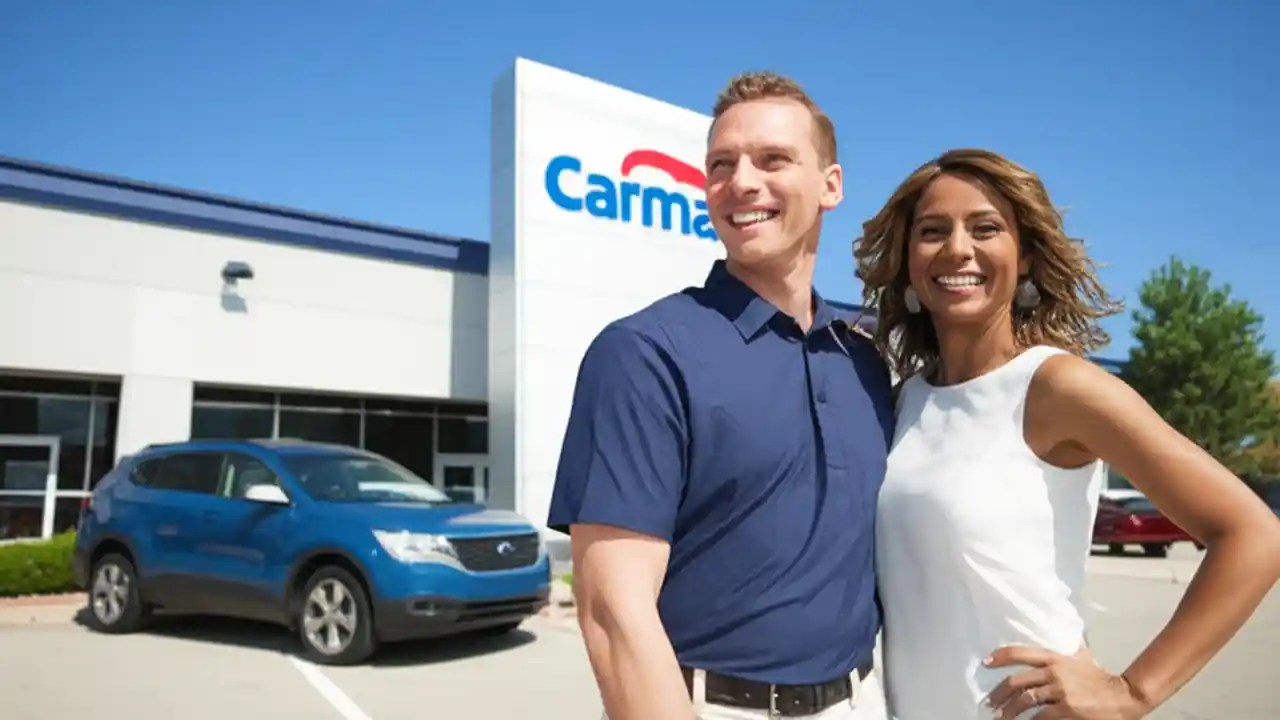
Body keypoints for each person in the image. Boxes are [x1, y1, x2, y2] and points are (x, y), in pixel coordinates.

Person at [853, 147, 1280, 720]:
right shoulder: (904, 401)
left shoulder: (1057, 387)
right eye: (933, 231)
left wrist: (1132, 692)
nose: (958, 248)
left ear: (1024, 256)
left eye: (986, 228)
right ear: (907, 262)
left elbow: (1254, 533)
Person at [546, 71, 895, 719]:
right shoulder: (644, 353)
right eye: (721, 164)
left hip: (865, 699)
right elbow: (614, 615)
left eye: (773, 160)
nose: (741, 182)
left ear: (831, 185)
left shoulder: (864, 360)